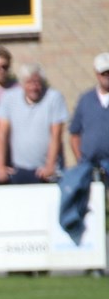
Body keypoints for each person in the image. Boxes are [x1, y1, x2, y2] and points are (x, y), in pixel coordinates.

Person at [0, 63, 69, 184]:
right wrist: (0, 165)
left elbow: (56, 135)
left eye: (37, 82)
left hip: (46, 171)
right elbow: (1, 134)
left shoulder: (54, 98)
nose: (33, 87)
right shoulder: (9, 98)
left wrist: (50, 165)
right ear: (22, 84)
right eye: (29, 82)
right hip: (19, 169)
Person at [61, 53, 109, 238]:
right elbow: (74, 133)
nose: (107, 77)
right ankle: (78, 233)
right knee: (78, 194)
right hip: (89, 164)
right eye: (104, 73)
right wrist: (80, 158)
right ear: (97, 74)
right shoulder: (86, 99)